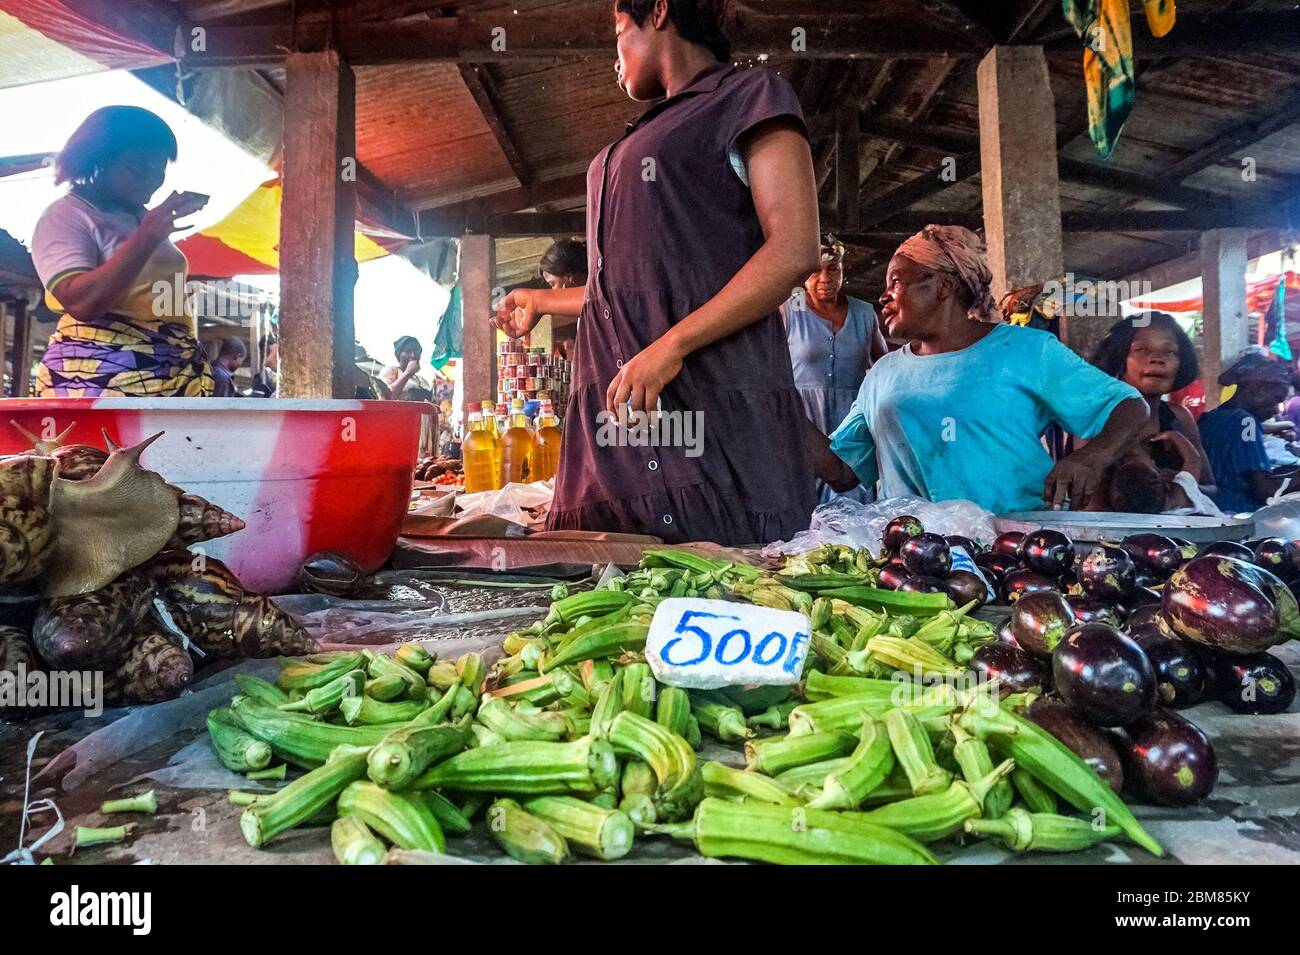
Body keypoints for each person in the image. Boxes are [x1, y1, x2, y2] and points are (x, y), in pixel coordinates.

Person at [492, 0, 819, 545]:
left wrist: (671, 347)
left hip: (705, 403)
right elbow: (623, 290)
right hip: (615, 419)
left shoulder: (748, 97)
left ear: (659, 11)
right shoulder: (640, 134)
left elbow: (794, 249)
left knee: (718, 581)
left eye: (619, 31)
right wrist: (544, 300)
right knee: (610, 602)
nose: (614, 60)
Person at [814, 225, 1149, 513]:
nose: (884, 297)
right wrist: (778, 402)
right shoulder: (882, 374)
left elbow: (1129, 406)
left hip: (1014, 545)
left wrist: (1091, 458)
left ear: (943, 286)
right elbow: (843, 470)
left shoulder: (1026, 350)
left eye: (896, 282)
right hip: (915, 555)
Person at [30, 106, 214, 397]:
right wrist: (148, 235)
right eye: (138, 167)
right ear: (96, 161)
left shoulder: (138, 218)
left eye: (160, 168)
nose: (152, 178)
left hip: (167, 374)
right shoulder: (66, 215)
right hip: (99, 380)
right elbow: (82, 303)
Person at [782, 234, 886, 503]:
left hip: (851, 421)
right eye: (815, 271)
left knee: (851, 497)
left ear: (843, 271)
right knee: (803, 496)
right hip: (804, 418)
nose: (825, 279)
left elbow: (886, 369)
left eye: (833, 270)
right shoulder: (788, 310)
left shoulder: (865, 313)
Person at [1090, 312, 1213, 484]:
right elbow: (1091, 504)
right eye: (1140, 349)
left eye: (1170, 351)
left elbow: (1209, 487)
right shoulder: (1096, 416)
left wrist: (1178, 485)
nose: (1157, 359)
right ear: (1119, 359)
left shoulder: (1179, 417)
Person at [1197, 350, 1296, 513]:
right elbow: (1264, 490)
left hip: (1211, 509)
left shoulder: (1211, 417)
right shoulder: (1246, 422)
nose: (1276, 410)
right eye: (1276, 399)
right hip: (1237, 515)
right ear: (1258, 390)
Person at [381, 336, 433, 401]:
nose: (413, 355)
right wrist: (408, 372)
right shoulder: (391, 370)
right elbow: (385, 397)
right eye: (408, 351)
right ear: (399, 354)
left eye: (416, 351)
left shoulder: (422, 381)